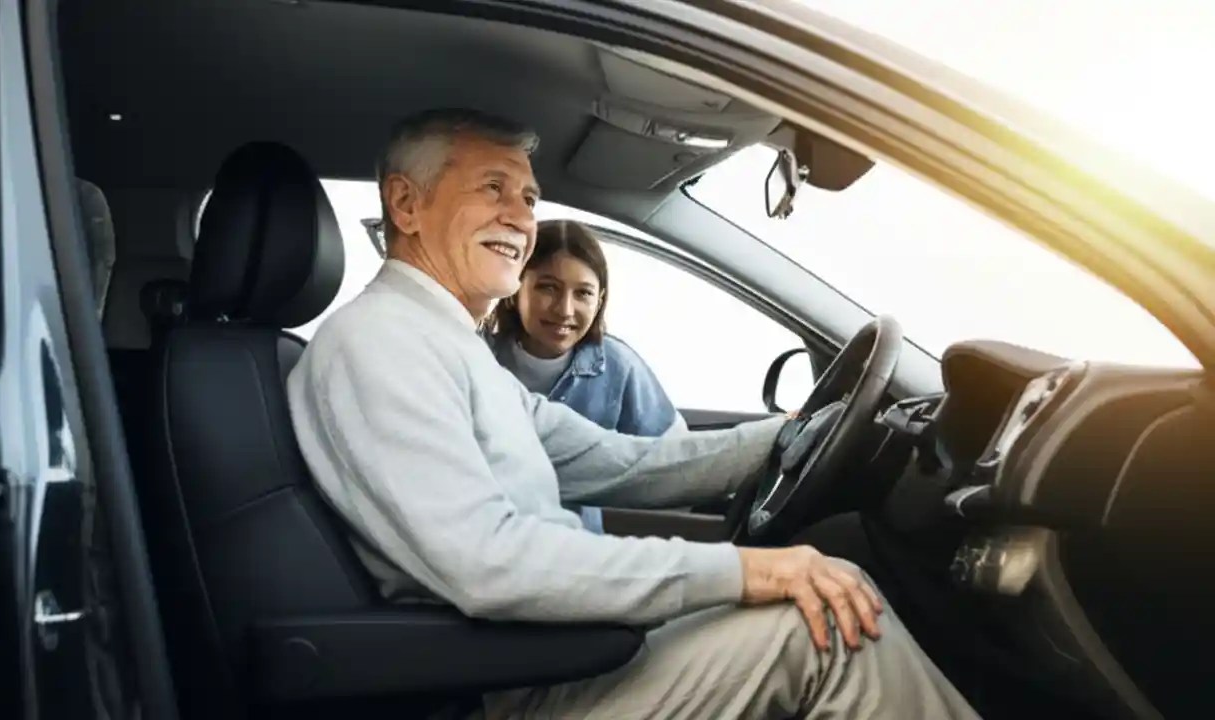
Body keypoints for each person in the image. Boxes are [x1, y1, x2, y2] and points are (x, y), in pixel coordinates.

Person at [286, 108, 978, 719]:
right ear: (406, 206)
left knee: (827, 582)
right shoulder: (379, 342)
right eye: (491, 189)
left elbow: (625, 465)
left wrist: (792, 433)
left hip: (551, 658)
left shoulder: (450, 347)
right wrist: (746, 570)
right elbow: (486, 561)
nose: (521, 218)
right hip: (507, 688)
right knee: (833, 621)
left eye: (528, 197)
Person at [484, 219, 682, 437]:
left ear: (599, 301)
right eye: (548, 288)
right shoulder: (480, 359)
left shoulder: (620, 367)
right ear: (513, 290)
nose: (565, 310)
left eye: (583, 293)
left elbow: (672, 451)